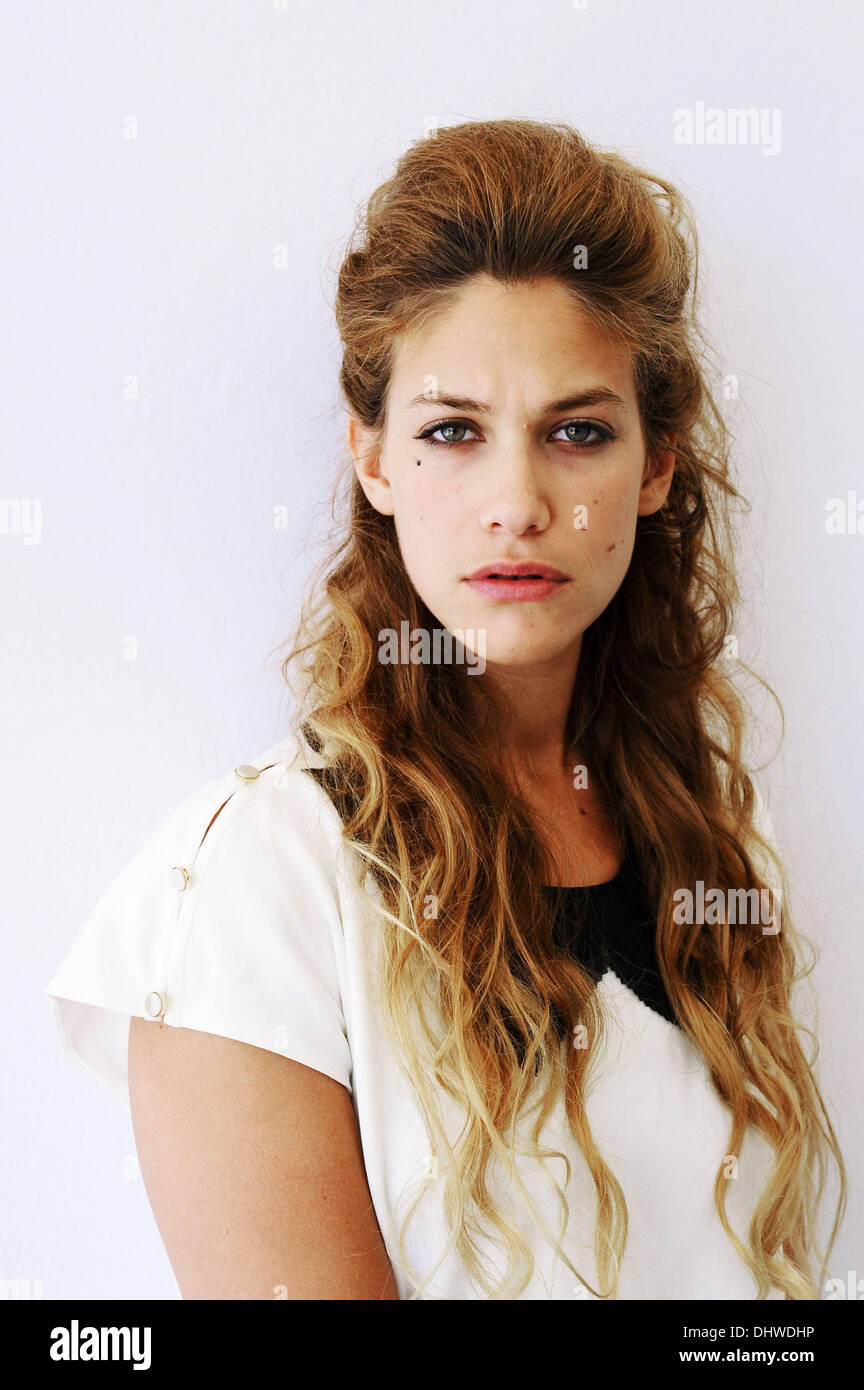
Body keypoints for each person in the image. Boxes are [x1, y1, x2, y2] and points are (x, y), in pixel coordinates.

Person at [44, 117, 846, 1301]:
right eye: (452, 432)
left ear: (657, 464)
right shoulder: (252, 888)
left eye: (578, 431)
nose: (516, 501)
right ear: (373, 459)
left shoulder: (716, 833)